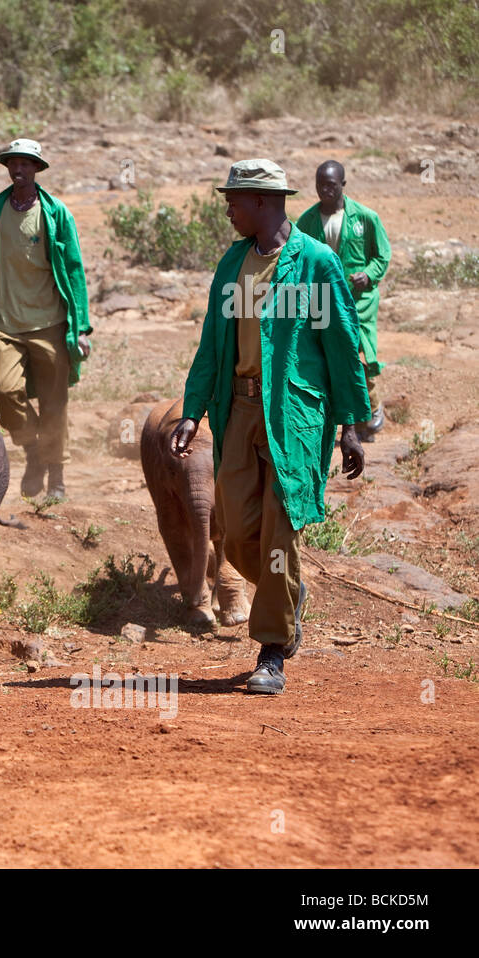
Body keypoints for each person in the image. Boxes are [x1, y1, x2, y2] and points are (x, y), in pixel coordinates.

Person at [171, 159, 370, 695]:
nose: (228, 209)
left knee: (281, 529)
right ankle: (289, 596)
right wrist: (192, 412)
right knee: (235, 532)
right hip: (238, 410)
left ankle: (271, 654)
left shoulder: (317, 263)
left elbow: (342, 346)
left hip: (296, 414)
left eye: (234, 200)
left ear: (264, 202)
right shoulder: (233, 262)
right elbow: (212, 342)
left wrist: (350, 424)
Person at [0, 137, 92, 501]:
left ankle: (56, 475)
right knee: (3, 390)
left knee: (55, 404)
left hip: (51, 324)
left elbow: (74, 271)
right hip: (5, 325)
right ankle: (32, 450)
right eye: (13, 163)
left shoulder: (56, 214)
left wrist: (81, 326)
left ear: (37, 168)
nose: (18, 169)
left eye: (26, 163)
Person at [296, 161, 391, 441]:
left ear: (343, 185)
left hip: (359, 301)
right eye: (320, 185)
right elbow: (298, 258)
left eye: (331, 185)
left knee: (359, 355)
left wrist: (369, 274)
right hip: (323, 302)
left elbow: (382, 255)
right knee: (326, 356)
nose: (325, 190)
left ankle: (370, 412)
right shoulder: (307, 221)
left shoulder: (365, 217)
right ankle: (343, 419)